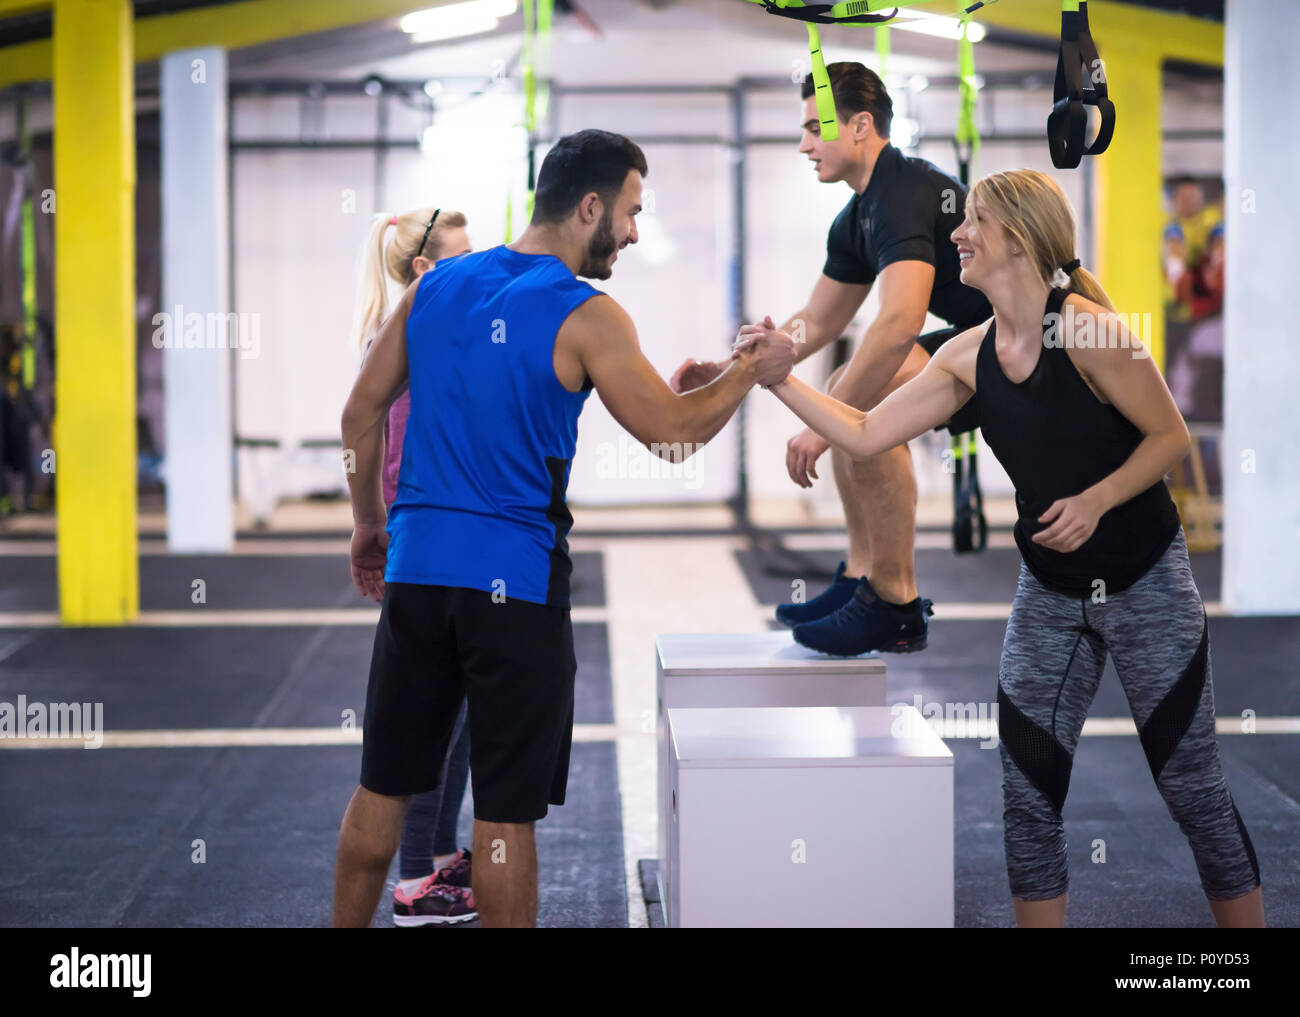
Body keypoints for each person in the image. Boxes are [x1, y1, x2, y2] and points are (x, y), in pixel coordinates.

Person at [739, 168, 1265, 928]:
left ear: (1016, 239)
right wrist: (783, 380)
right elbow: (861, 431)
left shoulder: (1086, 329)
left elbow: (1170, 435)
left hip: (1146, 581)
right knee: (1026, 792)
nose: (956, 234)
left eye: (972, 221)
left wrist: (1097, 499)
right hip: (1051, 593)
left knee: (1192, 786)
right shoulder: (966, 354)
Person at [333, 129, 796, 928]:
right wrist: (751, 371)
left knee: (382, 787)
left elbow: (358, 413)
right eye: (631, 212)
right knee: (503, 820)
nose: (635, 232)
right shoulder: (588, 312)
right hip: (513, 592)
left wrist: (370, 526)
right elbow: (673, 436)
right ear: (590, 207)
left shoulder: (437, 288)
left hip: (417, 574)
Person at [672, 62, 992, 657]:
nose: (804, 144)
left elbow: (900, 323)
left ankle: (895, 602)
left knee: (859, 394)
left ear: (862, 125)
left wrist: (826, 425)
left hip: (1027, 342)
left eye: (817, 128)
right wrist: (733, 367)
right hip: (977, 337)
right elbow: (816, 320)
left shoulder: (903, 192)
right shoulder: (856, 217)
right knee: (851, 384)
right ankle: (863, 579)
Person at [351, 205, 478, 926]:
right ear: (424, 272)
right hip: (426, 553)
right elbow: (396, 462)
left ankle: (433, 855)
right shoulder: (409, 342)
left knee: (456, 719)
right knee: (432, 724)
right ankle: (414, 880)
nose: (476, 267)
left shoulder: (428, 331)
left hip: (433, 548)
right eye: (460, 259)